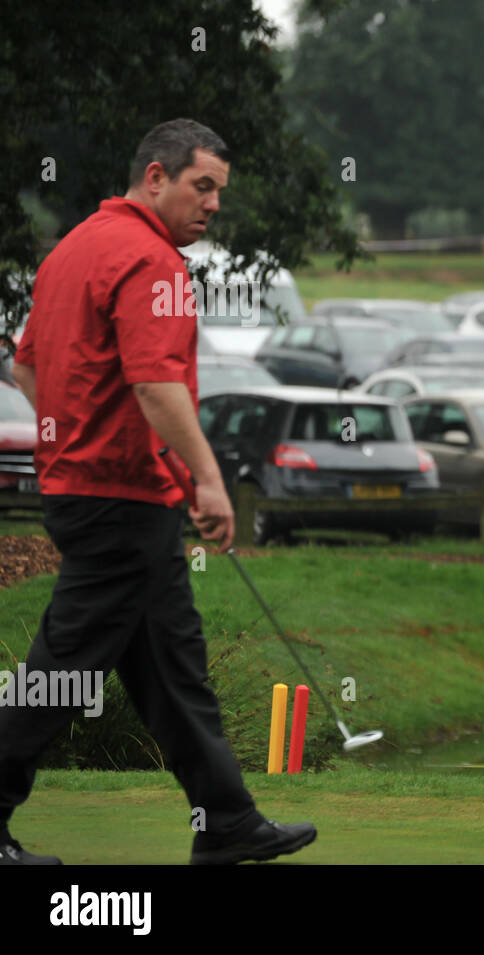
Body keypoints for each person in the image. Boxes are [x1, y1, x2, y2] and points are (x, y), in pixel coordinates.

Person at [0, 118, 316, 864]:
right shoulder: (152, 260)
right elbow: (155, 384)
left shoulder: (71, 249)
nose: (212, 205)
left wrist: (70, 435)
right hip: (122, 498)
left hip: (90, 491)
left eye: (219, 191)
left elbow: (26, 368)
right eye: (201, 186)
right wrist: (209, 479)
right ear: (155, 178)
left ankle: (226, 820)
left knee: (172, 665)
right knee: (61, 673)